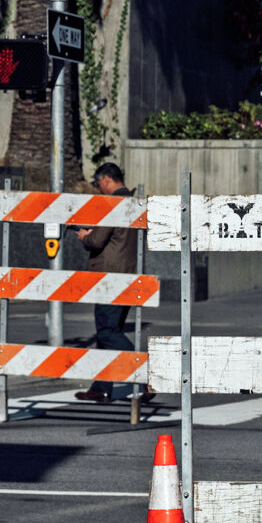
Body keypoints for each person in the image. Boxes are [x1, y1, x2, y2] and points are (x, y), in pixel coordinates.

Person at [74, 162, 145, 404]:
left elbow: (97, 240)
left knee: (107, 330)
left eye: (97, 184)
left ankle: (145, 376)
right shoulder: (134, 202)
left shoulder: (113, 203)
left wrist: (85, 235)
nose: (98, 189)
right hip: (128, 274)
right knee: (108, 332)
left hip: (109, 276)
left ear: (106, 179)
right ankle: (101, 387)